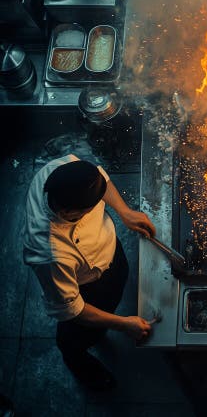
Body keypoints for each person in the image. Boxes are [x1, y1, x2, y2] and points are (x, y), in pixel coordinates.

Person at [23, 155, 157, 391]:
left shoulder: (61, 169)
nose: (99, 207)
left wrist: (124, 211)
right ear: (69, 212)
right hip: (88, 289)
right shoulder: (50, 253)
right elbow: (73, 309)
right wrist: (124, 324)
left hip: (111, 255)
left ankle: (102, 327)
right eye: (91, 208)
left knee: (113, 295)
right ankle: (86, 370)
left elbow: (100, 180)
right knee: (75, 340)